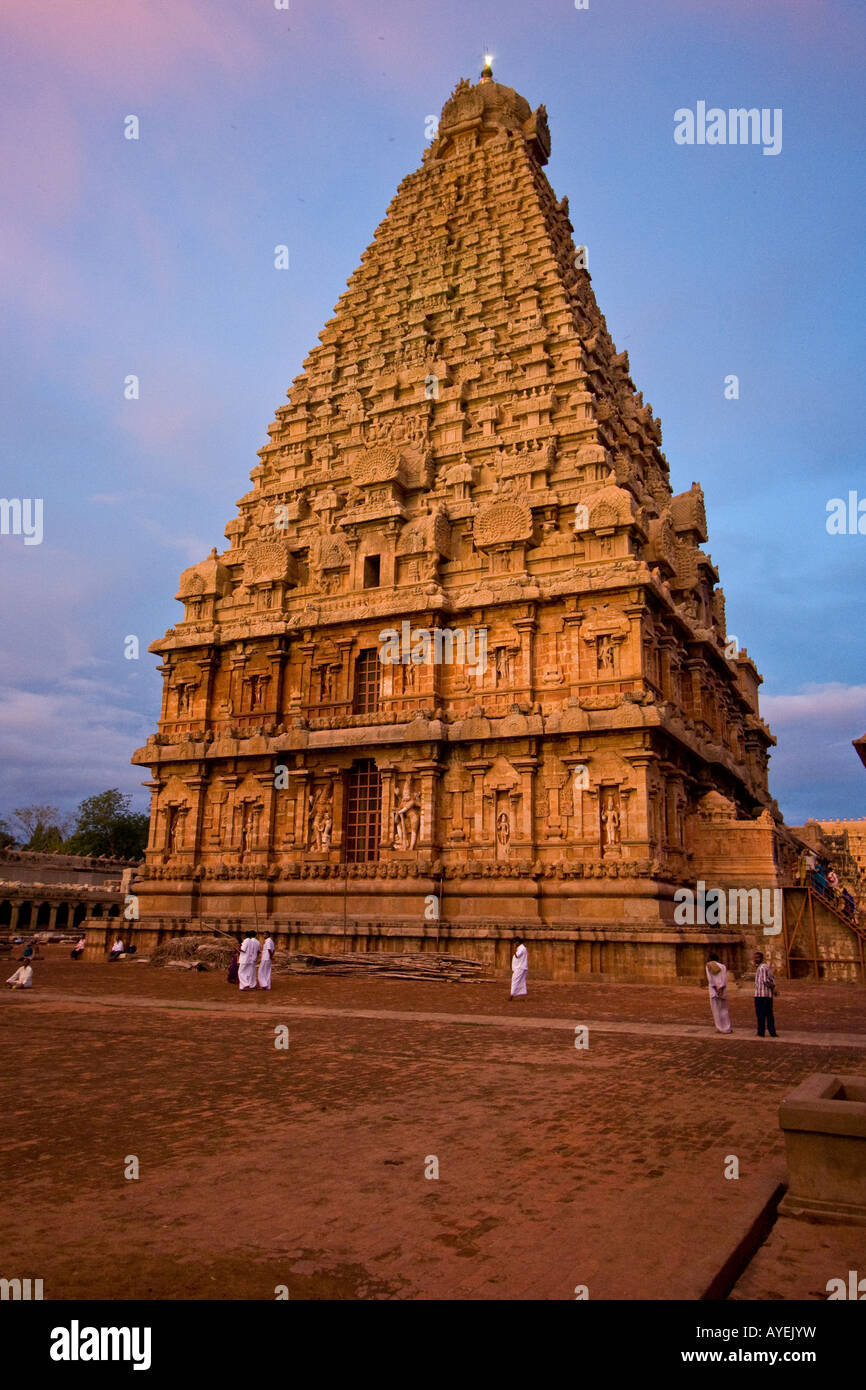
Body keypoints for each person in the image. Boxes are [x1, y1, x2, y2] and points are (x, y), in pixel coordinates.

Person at [705, 953, 733, 1033]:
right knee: (724, 1009)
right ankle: (727, 1028)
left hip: (714, 990)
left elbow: (710, 979)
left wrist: (715, 989)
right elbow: (724, 979)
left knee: (716, 1010)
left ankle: (720, 1028)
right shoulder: (723, 966)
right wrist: (721, 988)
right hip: (722, 989)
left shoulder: (708, 965)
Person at [753, 950, 778, 1037]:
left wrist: (773, 987)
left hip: (761, 995)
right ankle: (772, 1032)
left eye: (757, 958)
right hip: (767, 995)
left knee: (761, 1014)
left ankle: (761, 1032)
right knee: (769, 1014)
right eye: (755, 958)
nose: (755, 959)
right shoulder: (765, 967)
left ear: (761, 958)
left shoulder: (762, 968)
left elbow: (765, 980)